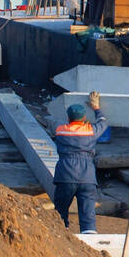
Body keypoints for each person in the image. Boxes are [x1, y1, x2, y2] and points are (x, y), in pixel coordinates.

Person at [52, 92, 108, 233]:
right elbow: (103, 122)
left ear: (68, 117)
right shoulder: (90, 131)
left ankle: (60, 236)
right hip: (87, 177)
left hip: (65, 175)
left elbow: (50, 120)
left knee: (60, 213)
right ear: (84, 118)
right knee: (88, 214)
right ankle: (89, 239)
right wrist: (96, 107)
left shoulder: (59, 130)